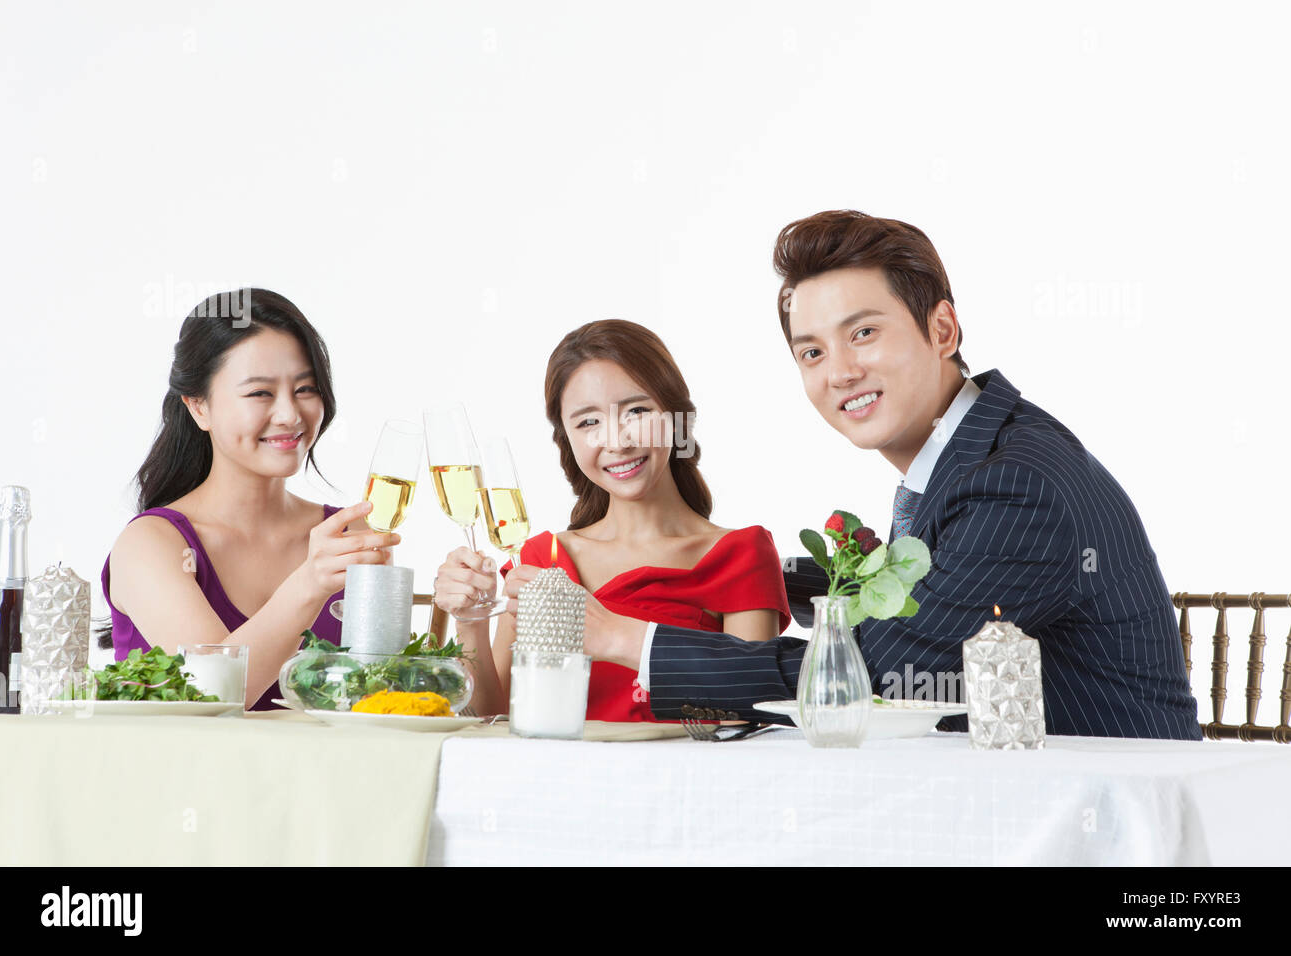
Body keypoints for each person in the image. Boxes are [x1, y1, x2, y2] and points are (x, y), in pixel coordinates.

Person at [507, 211, 1202, 740]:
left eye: (863, 333)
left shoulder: (1015, 485)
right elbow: (920, 593)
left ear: (942, 330)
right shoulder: (970, 455)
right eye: (811, 351)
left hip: (1102, 819)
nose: (838, 372)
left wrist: (617, 634)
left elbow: (861, 683)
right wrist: (736, 572)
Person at [432, 319, 790, 720]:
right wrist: (471, 624)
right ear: (567, 439)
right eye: (588, 422)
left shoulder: (740, 554)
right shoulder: (541, 559)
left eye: (637, 411)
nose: (617, 442)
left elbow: (750, 712)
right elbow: (492, 718)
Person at [100, 289, 395, 710]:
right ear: (199, 406)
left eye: (306, 388)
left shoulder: (348, 534)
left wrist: (467, 617)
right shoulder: (152, 543)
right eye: (260, 393)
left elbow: (385, 697)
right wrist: (309, 584)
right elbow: (212, 693)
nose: (290, 415)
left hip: (329, 776)